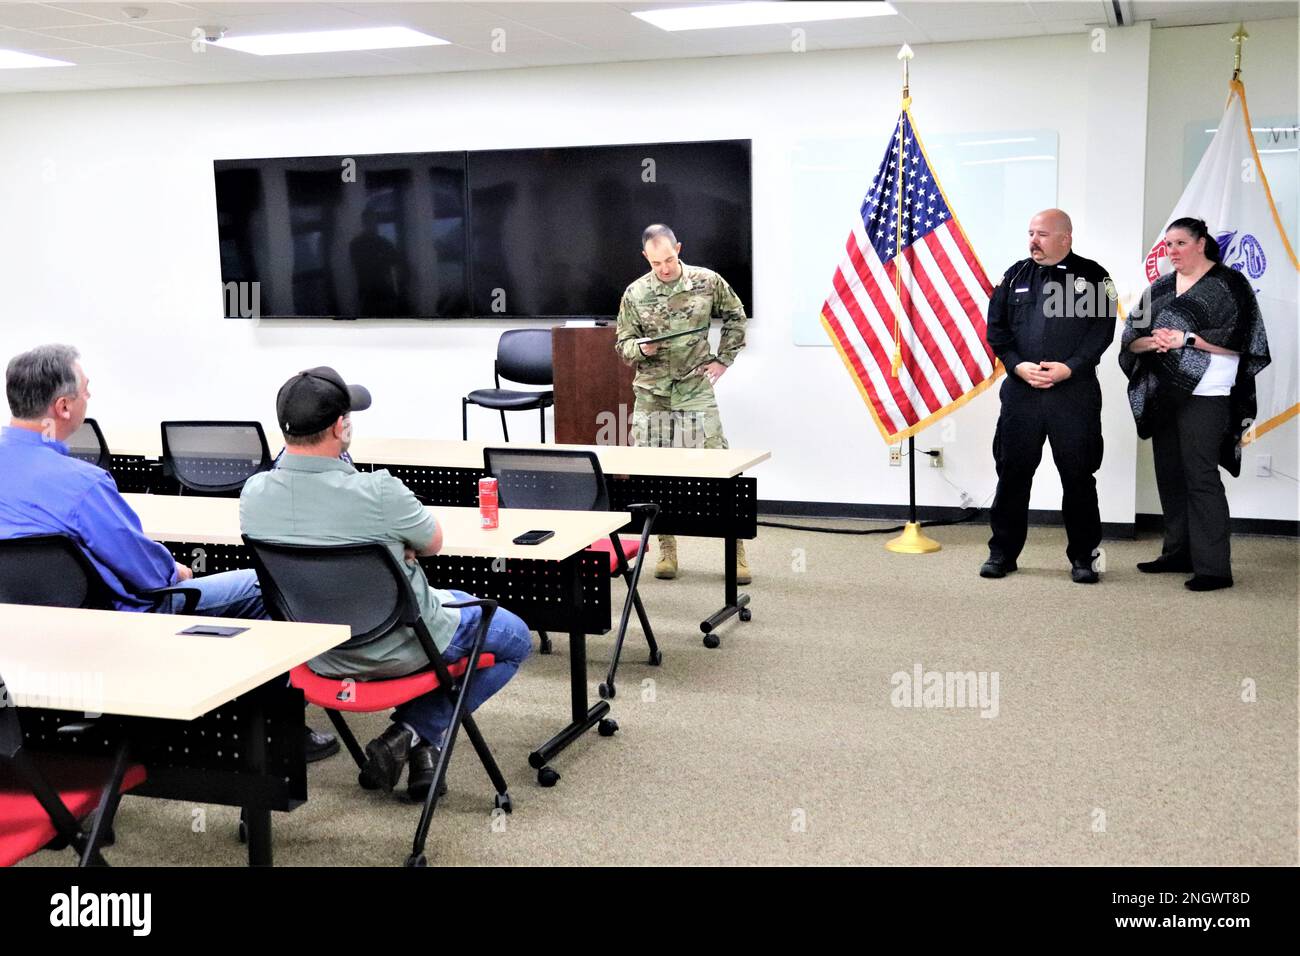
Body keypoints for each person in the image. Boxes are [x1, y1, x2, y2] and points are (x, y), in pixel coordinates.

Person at [0, 344, 340, 761]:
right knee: (262, 585)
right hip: (107, 627)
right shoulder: (82, 484)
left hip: (18, 635)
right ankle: (274, 739)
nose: (90, 398)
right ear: (64, 406)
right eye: (87, 391)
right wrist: (174, 569)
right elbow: (144, 574)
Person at [240, 367, 532, 800]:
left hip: (318, 656)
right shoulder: (379, 492)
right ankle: (415, 731)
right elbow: (432, 543)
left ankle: (417, 747)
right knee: (517, 639)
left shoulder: (254, 494)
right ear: (342, 426)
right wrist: (396, 545)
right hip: (404, 648)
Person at [1119, 218, 1270, 591]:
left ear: (1201, 243)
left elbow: (1245, 341)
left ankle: (1214, 568)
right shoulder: (1161, 288)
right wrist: (1150, 344)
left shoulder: (1229, 285)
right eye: (1168, 245)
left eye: (1180, 243)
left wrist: (1188, 339)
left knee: (1200, 475)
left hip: (1209, 392)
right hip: (1164, 390)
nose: (1172, 252)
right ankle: (1178, 553)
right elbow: (1131, 339)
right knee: (1170, 473)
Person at [982, 209, 1117, 583]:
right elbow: (997, 330)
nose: (1033, 241)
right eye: (1030, 233)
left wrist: (1070, 366)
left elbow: (1102, 331)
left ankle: (1084, 559)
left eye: (1041, 234)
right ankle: (1002, 554)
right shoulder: (1013, 276)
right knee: (1012, 474)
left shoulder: (1096, 277)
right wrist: (1016, 366)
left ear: (1065, 238)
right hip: (1022, 394)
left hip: (1073, 394)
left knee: (1078, 476)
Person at [615, 223, 751, 582]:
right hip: (652, 390)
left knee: (721, 464)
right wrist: (639, 348)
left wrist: (725, 358)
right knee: (650, 469)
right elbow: (622, 343)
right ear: (646, 257)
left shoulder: (707, 281)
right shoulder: (635, 292)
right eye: (656, 262)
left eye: (670, 259)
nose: (664, 268)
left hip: (694, 385)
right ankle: (666, 548)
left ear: (679, 248)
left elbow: (736, 315)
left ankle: (735, 551)